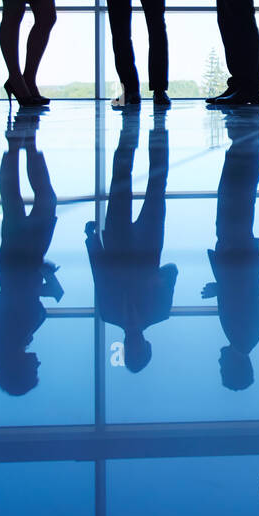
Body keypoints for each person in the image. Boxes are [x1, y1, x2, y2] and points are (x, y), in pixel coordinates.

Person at [86, 108, 177, 372]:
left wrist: (92, 240)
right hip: (138, 245)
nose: (134, 347)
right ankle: (150, 129)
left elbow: (99, 275)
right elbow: (172, 271)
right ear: (145, 346)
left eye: (132, 353)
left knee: (130, 181)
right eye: (139, 351)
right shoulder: (156, 312)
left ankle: (135, 131)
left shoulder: (117, 313)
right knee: (148, 182)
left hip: (128, 245)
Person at [0, 111, 63, 394]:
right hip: (10, 266)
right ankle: (16, 147)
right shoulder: (6, 335)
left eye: (33, 371)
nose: (39, 365)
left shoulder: (21, 330)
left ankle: (26, 145)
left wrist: (47, 283)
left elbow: (19, 296)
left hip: (27, 261)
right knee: (13, 203)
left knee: (43, 199)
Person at [202, 109, 259, 390]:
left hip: (238, 250)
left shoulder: (247, 335)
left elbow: (249, 292)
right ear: (235, 367)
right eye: (222, 369)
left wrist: (221, 287)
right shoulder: (241, 333)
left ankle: (246, 143)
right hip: (235, 249)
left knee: (238, 194)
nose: (218, 362)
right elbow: (244, 290)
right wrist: (222, 284)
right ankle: (246, 141)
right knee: (235, 193)